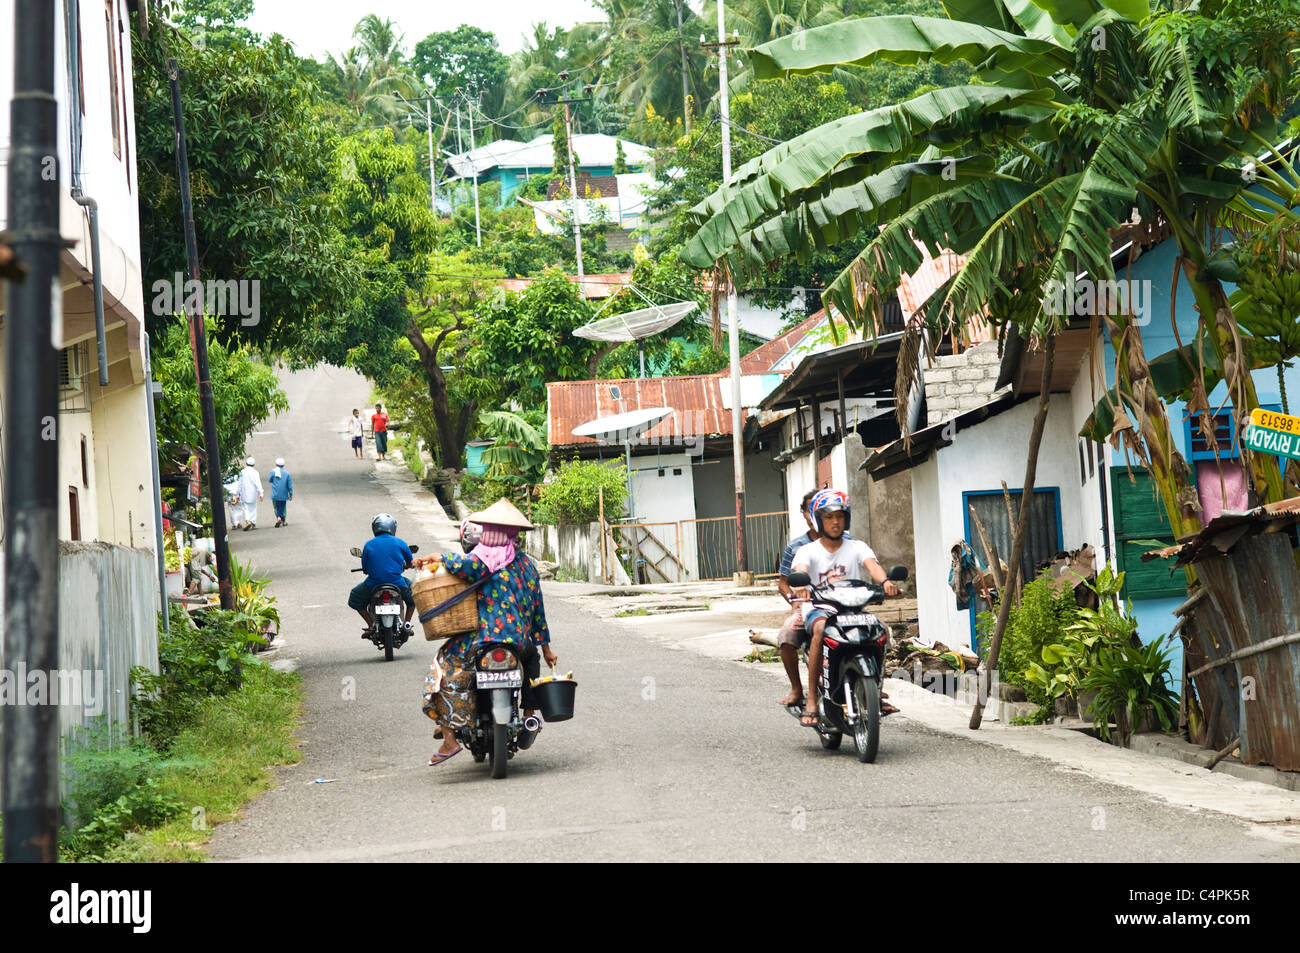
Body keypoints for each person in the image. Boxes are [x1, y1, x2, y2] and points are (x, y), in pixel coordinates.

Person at [419, 498, 557, 767]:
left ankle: (449, 734)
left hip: (481, 638)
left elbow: (459, 566)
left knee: (444, 668)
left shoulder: (481, 560)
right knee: (532, 663)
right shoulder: (526, 566)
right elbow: (538, 611)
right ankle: (529, 714)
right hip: (518, 641)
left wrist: (439, 558)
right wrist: (547, 649)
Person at [791, 488, 899, 727]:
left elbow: (872, 566)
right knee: (820, 629)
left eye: (840, 516)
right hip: (820, 609)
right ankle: (810, 698)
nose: (835, 522)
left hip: (853, 610)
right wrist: (802, 586)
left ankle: (875, 690)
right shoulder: (807, 550)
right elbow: (801, 570)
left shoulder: (856, 546)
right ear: (819, 520)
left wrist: (886, 582)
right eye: (829, 517)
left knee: (880, 630)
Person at [775, 488, 853, 708]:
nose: (815, 516)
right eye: (811, 511)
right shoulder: (796, 547)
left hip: (844, 605)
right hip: (809, 606)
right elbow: (783, 582)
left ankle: (871, 688)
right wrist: (795, 600)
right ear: (805, 514)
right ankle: (798, 689)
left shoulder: (848, 542)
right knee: (787, 637)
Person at [348, 512, 417, 636]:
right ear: (393, 527)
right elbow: (411, 563)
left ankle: (371, 626)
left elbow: (365, 569)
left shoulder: (369, 544)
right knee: (415, 596)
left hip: (373, 585)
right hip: (398, 583)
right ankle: (407, 624)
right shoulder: (401, 543)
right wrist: (406, 566)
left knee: (355, 598)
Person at [236, 457, 263, 530]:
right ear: (253, 464)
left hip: (244, 493)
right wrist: (261, 493)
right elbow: (258, 483)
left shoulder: (242, 472)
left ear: (246, 463)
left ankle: (248, 521)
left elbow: (239, 484)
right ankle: (253, 523)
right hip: (253, 493)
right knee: (253, 508)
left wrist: (237, 494)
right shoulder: (255, 472)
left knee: (246, 508)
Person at [269, 457, 294, 527]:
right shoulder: (287, 473)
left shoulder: (273, 472)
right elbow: (289, 485)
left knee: (276, 507)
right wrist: (291, 494)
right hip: (284, 494)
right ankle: (283, 521)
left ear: (276, 464)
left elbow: (269, 480)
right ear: (283, 465)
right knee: (283, 507)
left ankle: (279, 518)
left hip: (275, 494)